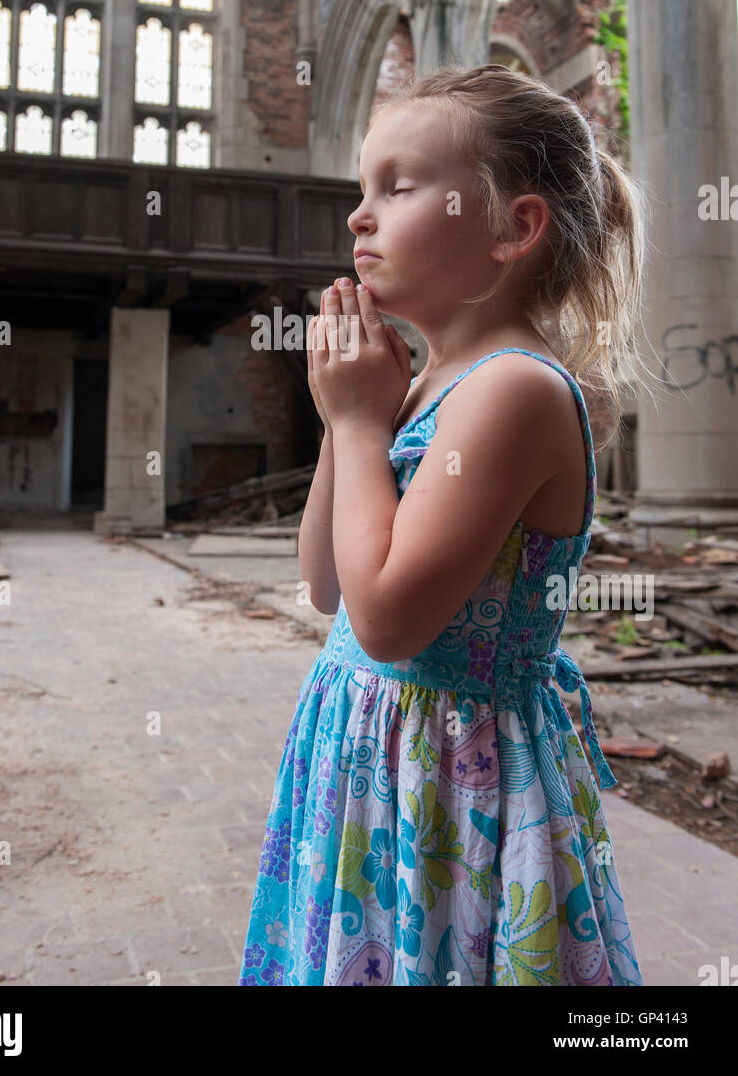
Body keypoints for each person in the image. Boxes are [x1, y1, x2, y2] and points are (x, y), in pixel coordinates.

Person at [238, 63, 650, 986]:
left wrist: (352, 423)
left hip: (451, 790)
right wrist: (356, 419)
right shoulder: (422, 383)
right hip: (373, 765)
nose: (358, 216)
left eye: (399, 185)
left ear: (514, 226)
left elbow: (385, 623)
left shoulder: (512, 388)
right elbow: (327, 583)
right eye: (360, 190)